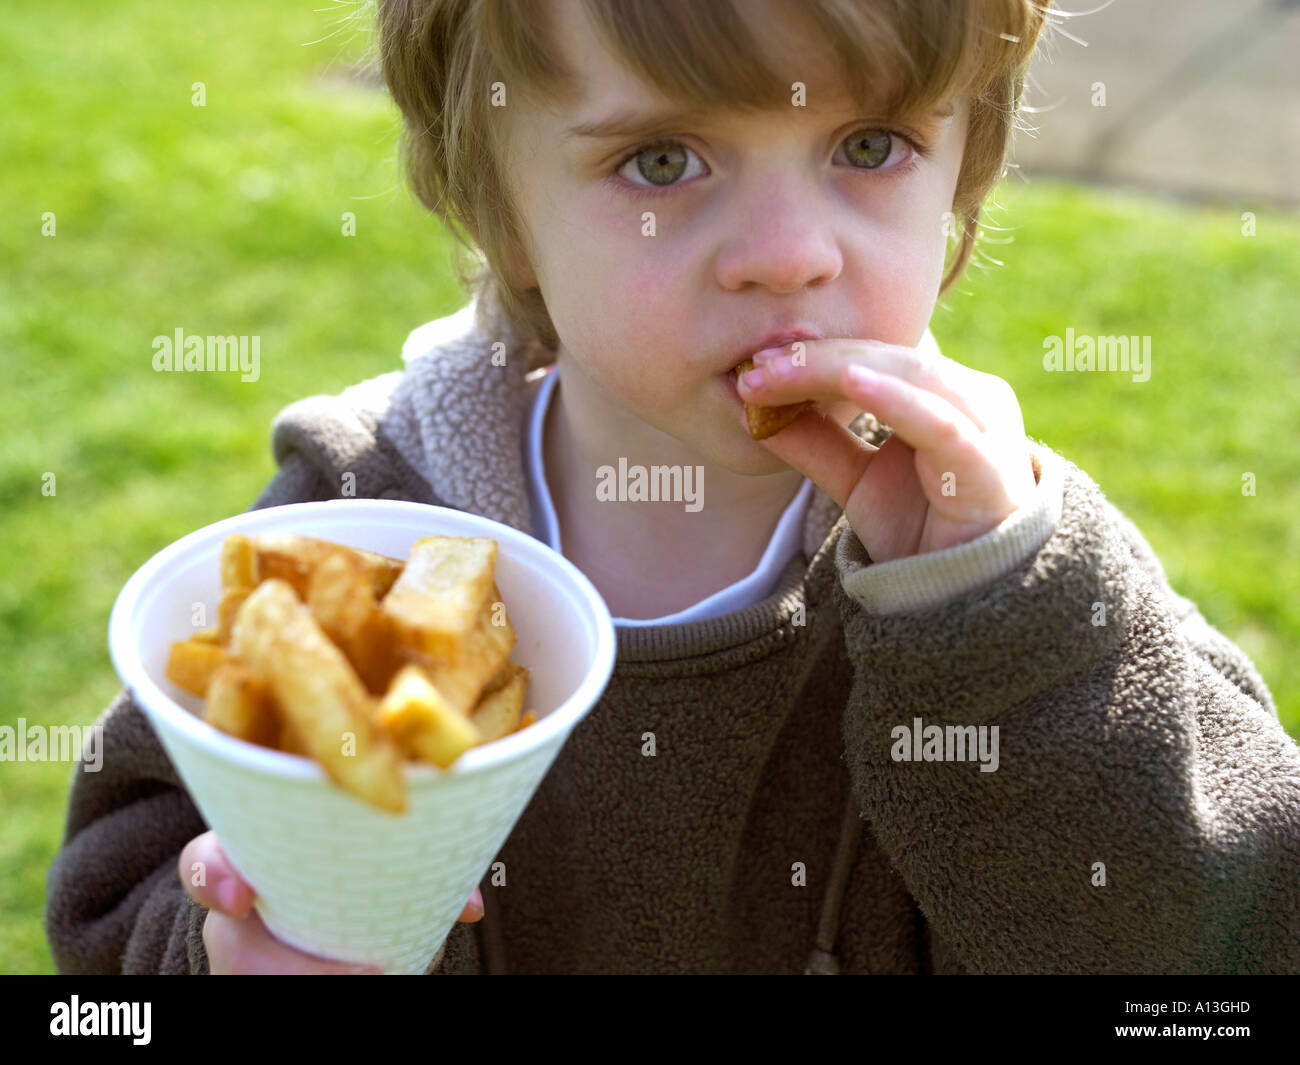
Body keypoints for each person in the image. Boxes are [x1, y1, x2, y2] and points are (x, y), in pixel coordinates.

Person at [46, 0, 1300, 974]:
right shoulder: (352, 533)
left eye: (872, 146)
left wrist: (1002, 636)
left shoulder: (1015, 577)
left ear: (962, 179)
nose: (787, 256)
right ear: (505, 217)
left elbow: (1222, 954)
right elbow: (114, 917)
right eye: (660, 163)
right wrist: (222, 948)